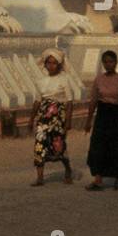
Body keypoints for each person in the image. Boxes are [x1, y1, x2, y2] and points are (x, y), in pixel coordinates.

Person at [84, 49, 118, 191]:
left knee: (116, 146)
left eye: (111, 61)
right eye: (105, 62)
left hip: (116, 114)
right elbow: (93, 101)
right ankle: (98, 179)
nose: (108, 64)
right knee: (97, 146)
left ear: (116, 63)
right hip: (102, 114)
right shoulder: (99, 79)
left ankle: (117, 177)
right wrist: (88, 120)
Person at [28, 49, 74, 186]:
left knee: (59, 146)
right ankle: (40, 177)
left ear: (59, 65)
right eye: (49, 63)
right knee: (39, 145)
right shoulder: (41, 81)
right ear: (45, 64)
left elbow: (69, 102)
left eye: (54, 63)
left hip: (58, 119)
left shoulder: (64, 80)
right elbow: (37, 101)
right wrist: (31, 119)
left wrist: (68, 121)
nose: (51, 66)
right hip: (43, 119)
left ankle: (67, 170)